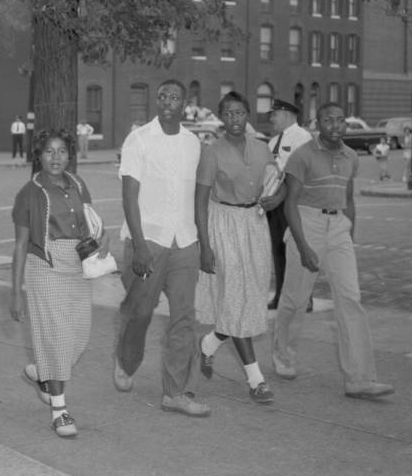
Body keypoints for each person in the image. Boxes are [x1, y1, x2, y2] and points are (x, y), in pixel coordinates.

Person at [271, 102, 395, 400]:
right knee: (295, 299)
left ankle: (359, 379)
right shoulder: (303, 156)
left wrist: (348, 235)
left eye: (341, 121)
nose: (336, 126)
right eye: (329, 120)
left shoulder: (351, 156)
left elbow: (349, 198)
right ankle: (283, 356)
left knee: (351, 299)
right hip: (307, 222)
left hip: (338, 226)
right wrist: (302, 246)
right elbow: (290, 203)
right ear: (318, 123)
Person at [114, 79, 210, 417]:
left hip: (184, 242)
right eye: (162, 96)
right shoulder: (138, 140)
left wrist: (203, 242)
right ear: (156, 102)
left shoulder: (193, 144)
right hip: (148, 240)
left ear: (185, 103)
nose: (167, 101)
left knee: (184, 318)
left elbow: (198, 197)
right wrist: (139, 245)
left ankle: (176, 393)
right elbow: (129, 196)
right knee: (139, 312)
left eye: (174, 97)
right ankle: (127, 361)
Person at [10, 128, 110, 438]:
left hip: (77, 264)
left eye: (62, 151)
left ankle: (43, 372)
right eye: (49, 151)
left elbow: (91, 224)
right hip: (45, 266)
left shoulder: (79, 184)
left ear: (70, 154)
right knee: (56, 336)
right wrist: (15, 293)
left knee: (78, 334)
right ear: (38, 155)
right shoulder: (29, 192)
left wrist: (102, 239)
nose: (56, 157)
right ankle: (59, 409)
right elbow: (21, 245)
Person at [195, 91, 277, 404]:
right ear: (220, 116)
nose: (234, 119)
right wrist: (205, 245)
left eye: (239, 113)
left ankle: (209, 344)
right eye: (228, 113)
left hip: (254, 224)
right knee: (236, 296)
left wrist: (274, 199)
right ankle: (256, 380)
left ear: (248, 115)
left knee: (251, 296)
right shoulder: (212, 152)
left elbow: (275, 187)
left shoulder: (262, 148)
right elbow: (200, 200)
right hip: (223, 224)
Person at [265, 99, 312, 311]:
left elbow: (301, 171)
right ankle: (282, 294)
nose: (271, 119)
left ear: (285, 114)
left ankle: (305, 298)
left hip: (293, 202)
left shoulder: (302, 138)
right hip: (274, 202)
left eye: (274, 114)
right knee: (278, 249)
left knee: (295, 249)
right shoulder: (273, 140)